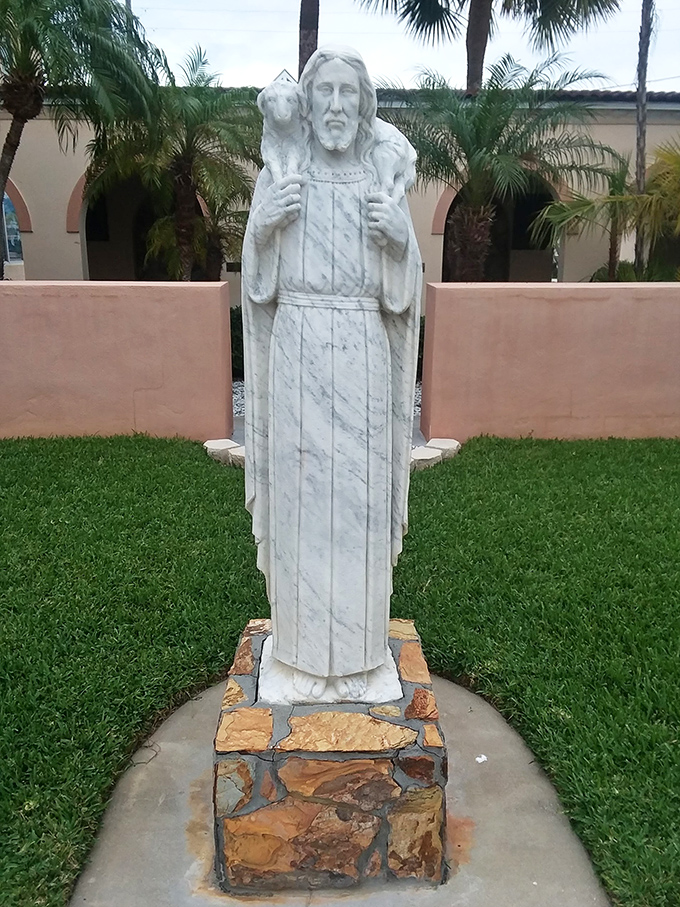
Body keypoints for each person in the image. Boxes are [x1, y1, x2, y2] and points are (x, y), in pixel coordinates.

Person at [242, 45, 422, 702]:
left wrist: (399, 241)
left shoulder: (382, 179)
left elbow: (403, 297)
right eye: (326, 93)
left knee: (358, 501)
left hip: (364, 356)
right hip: (296, 351)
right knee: (301, 496)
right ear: (308, 105)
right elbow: (256, 292)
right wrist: (263, 227)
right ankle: (296, 654)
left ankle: (359, 652)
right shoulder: (281, 173)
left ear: (365, 105)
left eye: (351, 93)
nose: (338, 106)